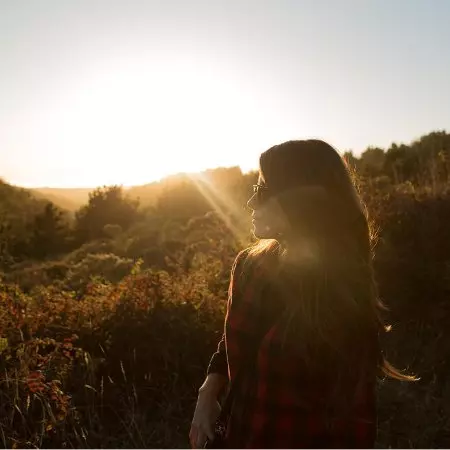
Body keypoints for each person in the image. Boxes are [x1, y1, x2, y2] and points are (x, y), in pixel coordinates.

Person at [189, 140, 414, 449]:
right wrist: (208, 390)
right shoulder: (249, 266)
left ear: (306, 201)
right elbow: (235, 342)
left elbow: (354, 419)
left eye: (265, 190)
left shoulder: (340, 291)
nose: (252, 203)